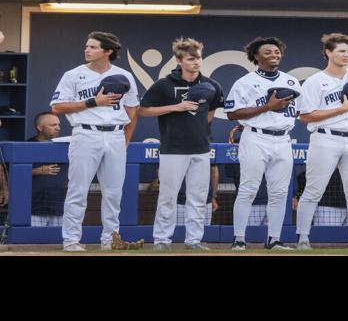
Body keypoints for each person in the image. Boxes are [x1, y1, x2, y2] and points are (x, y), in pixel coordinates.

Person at [49, 31, 140, 251]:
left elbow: (132, 110)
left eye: (92, 47)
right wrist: (93, 102)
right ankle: (71, 240)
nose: (86, 50)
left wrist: (125, 139)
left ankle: (110, 240)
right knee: (78, 189)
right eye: (86, 46)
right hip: (85, 133)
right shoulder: (73, 75)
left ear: (107, 51)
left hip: (115, 134)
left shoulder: (124, 75)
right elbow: (57, 107)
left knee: (114, 191)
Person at [295, 33, 348, 249]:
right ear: (328, 52)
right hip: (326, 137)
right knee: (314, 190)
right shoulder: (315, 81)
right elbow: (305, 116)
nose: (346, 55)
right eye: (341, 51)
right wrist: (342, 110)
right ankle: (303, 238)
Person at [138, 37, 225, 249]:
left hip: (201, 148)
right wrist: (175, 107)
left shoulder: (211, 85)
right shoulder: (164, 85)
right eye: (191, 59)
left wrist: (196, 127)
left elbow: (211, 113)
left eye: (198, 58)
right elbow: (142, 110)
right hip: (172, 149)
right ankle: (161, 240)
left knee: (198, 197)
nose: (196, 62)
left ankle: (194, 240)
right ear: (179, 60)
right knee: (168, 196)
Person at [223, 36, 302, 250]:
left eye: (277, 52)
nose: (274, 55)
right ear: (256, 56)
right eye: (268, 52)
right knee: (248, 189)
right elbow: (232, 113)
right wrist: (267, 107)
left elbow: (300, 110)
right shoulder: (245, 82)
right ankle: (239, 238)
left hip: (283, 139)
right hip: (255, 137)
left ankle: (273, 239)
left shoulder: (291, 81)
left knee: (279, 192)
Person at [25, 112, 72, 228]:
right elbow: (13, 175)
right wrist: (38, 171)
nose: (58, 128)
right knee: (33, 243)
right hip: (36, 207)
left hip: (61, 206)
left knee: (58, 244)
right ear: (40, 128)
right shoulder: (27, 146)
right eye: (53, 125)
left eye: (58, 124)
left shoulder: (67, 146)